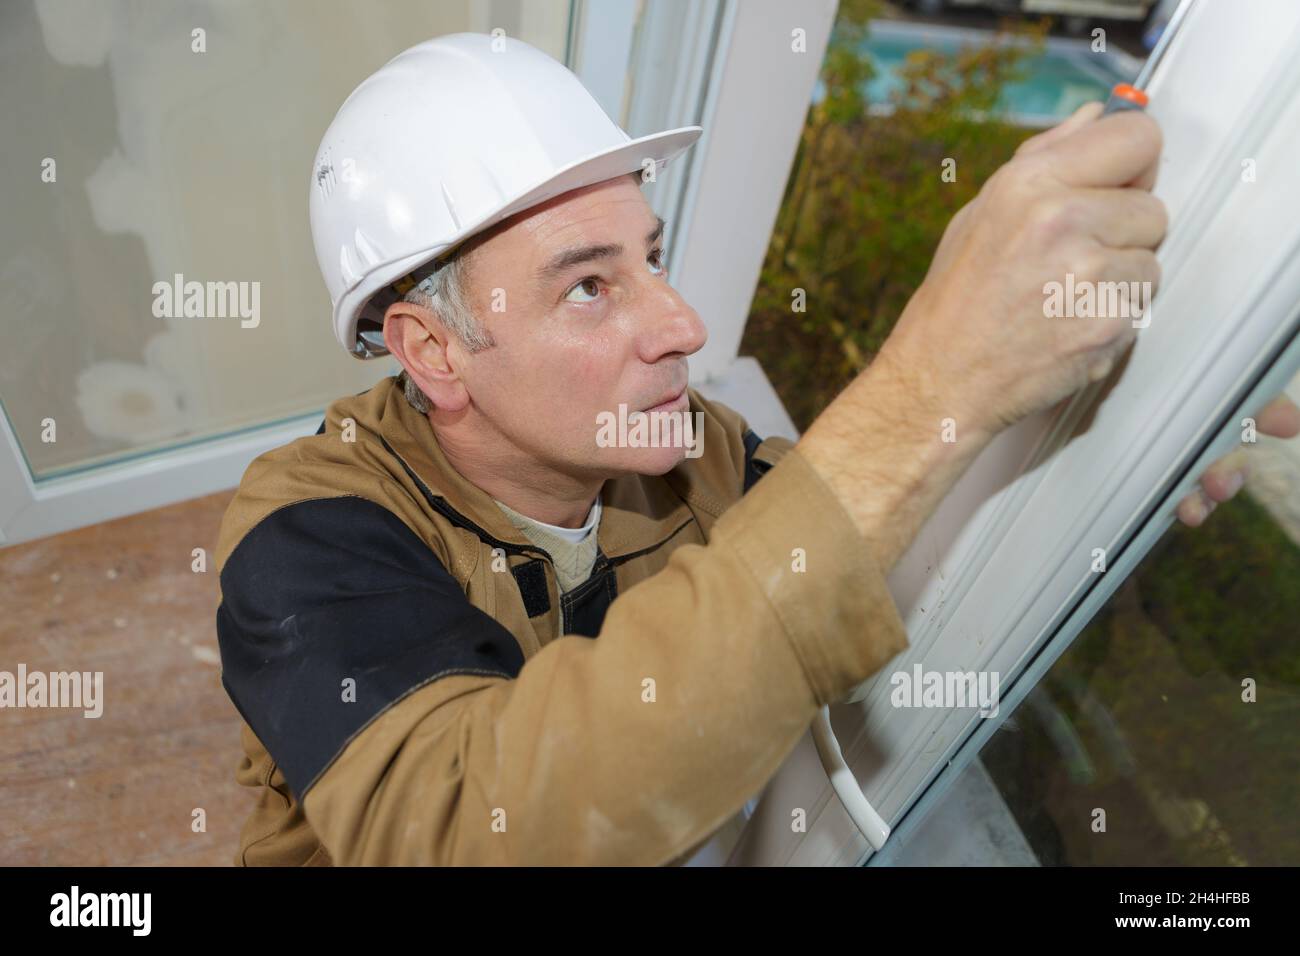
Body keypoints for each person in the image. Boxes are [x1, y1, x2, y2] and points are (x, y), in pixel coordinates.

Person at [214, 32, 1299, 866]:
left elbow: (859, 523)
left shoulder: (684, 450)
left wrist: (1104, 437)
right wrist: (932, 375)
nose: (680, 322)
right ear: (434, 350)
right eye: (589, 285)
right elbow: (469, 823)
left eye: (653, 257)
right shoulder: (308, 540)